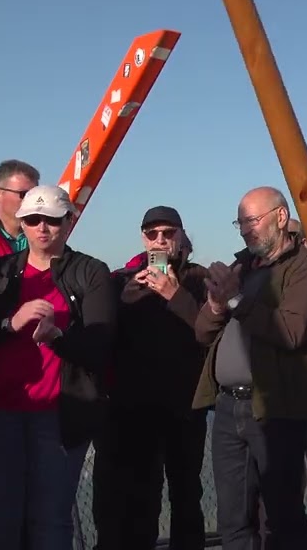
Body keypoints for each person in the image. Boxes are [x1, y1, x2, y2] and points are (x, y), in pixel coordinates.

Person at [0, 185, 116, 549]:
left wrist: (57, 337)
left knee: (50, 521)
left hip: (58, 417)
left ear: (69, 222)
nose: (42, 228)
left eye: (52, 220)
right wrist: (10, 323)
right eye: (33, 220)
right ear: (22, 225)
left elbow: (100, 347)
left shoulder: (90, 272)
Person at [191, 187, 307, 550]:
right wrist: (218, 305)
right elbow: (202, 332)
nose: (245, 230)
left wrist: (235, 299)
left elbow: (291, 330)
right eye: (240, 223)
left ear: (281, 217)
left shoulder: (305, 266)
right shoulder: (242, 267)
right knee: (233, 517)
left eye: (252, 220)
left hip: (275, 407)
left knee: (281, 514)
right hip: (226, 407)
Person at [93, 206, 210, 550]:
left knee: (187, 492)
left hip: (186, 405)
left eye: (168, 233)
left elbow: (210, 331)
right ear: (142, 238)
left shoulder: (200, 280)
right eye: (152, 234)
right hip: (135, 408)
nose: (160, 240)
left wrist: (176, 295)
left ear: (180, 236)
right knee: (141, 495)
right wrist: (130, 295)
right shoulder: (123, 281)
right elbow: (106, 334)